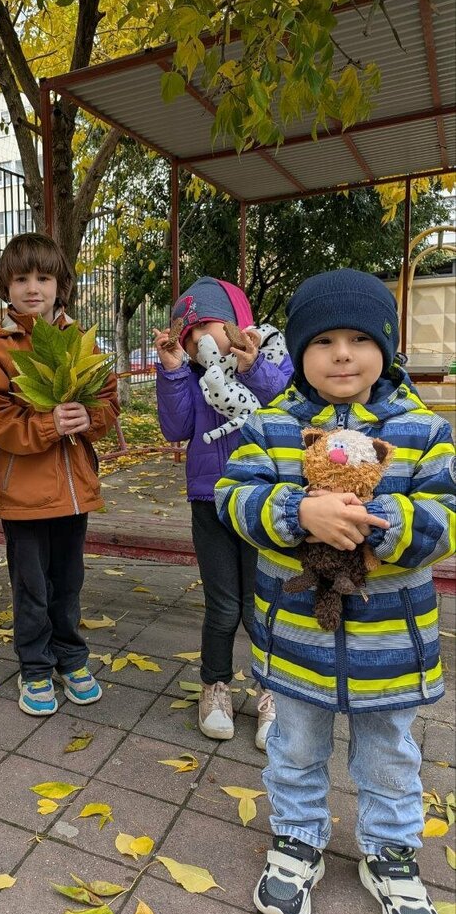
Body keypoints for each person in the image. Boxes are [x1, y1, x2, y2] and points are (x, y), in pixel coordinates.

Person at [216, 269, 454, 914]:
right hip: (295, 636)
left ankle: (390, 852)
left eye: (358, 338)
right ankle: (296, 840)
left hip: (390, 641)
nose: (341, 354)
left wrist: (378, 524)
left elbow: (447, 513)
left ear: (386, 346)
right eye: (322, 341)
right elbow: (234, 500)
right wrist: (298, 512)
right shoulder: (269, 425)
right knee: (293, 747)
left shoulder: (421, 430)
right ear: (297, 352)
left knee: (388, 756)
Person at [0, 233, 119, 716]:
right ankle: (35, 666)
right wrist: (46, 424)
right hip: (25, 494)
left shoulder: (80, 341)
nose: (33, 288)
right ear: (5, 287)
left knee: (68, 580)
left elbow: (108, 401)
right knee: (32, 586)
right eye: (21, 279)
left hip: (74, 492)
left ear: (61, 285)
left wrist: (89, 418)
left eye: (43, 277)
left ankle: (71, 657)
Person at [153, 276, 293, 749]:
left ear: (236, 325)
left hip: (262, 502)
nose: (197, 342)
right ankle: (214, 686)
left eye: (205, 328)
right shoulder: (191, 376)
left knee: (261, 605)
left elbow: (288, 406)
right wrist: (173, 371)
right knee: (223, 605)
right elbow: (176, 429)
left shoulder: (270, 358)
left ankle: (273, 689)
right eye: (187, 337)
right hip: (209, 502)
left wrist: (252, 369)